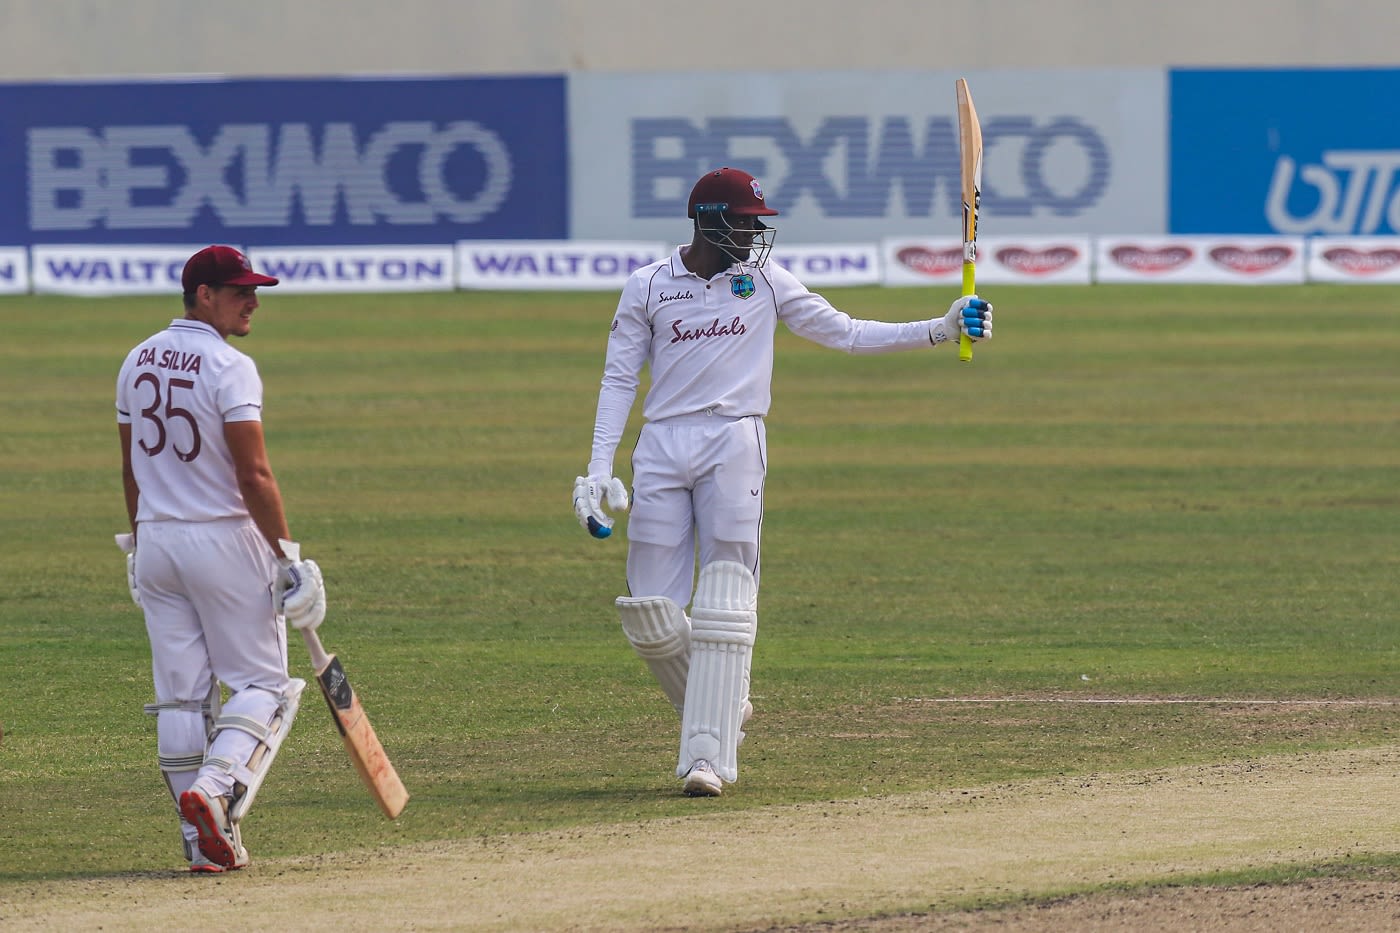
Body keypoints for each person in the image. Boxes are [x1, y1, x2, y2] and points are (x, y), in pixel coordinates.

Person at [573, 167, 992, 797]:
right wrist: (598, 466)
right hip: (661, 444)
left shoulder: (766, 280)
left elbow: (844, 331)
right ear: (707, 220)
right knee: (651, 618)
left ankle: (705, 760)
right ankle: (721, 704)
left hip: (735, 441)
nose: (754, 233)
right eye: (744, 221)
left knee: (723, 601)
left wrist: (938, 326)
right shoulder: (649, 287)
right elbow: (618, 379)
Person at [115, 245, 326, 872]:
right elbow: (254, 473)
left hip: (157, 540)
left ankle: (202, 843)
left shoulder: (136, 358)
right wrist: (288, 556)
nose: (252, 301)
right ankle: (214, 791)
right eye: (239, 291)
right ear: (203, 294)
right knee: (265, 685)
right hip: (223, 540)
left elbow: (131, 467)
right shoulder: (231, 366)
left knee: (182, 699)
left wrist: (135, 543)